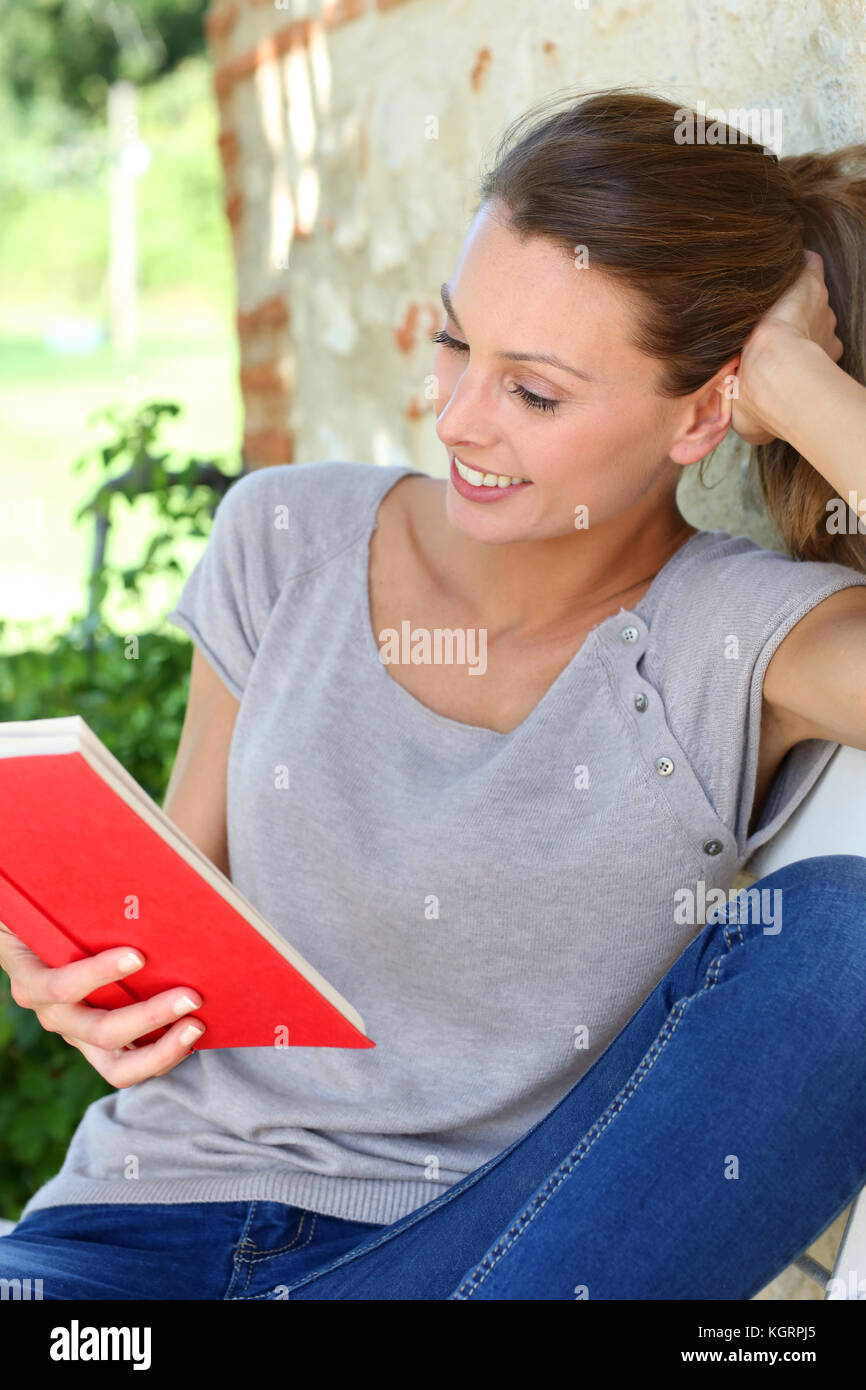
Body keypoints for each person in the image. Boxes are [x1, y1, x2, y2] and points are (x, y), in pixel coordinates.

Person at [2, 86, 866, 1301]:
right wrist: (76, 978)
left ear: (706, 410)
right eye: (457, 344)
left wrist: (796, 382)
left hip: (475, 1262)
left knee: (846, 935)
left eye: (533, 391)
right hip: (135, 1231)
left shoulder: (732, 639)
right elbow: (171, 904)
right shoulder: (283, 536)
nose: (455, 419)